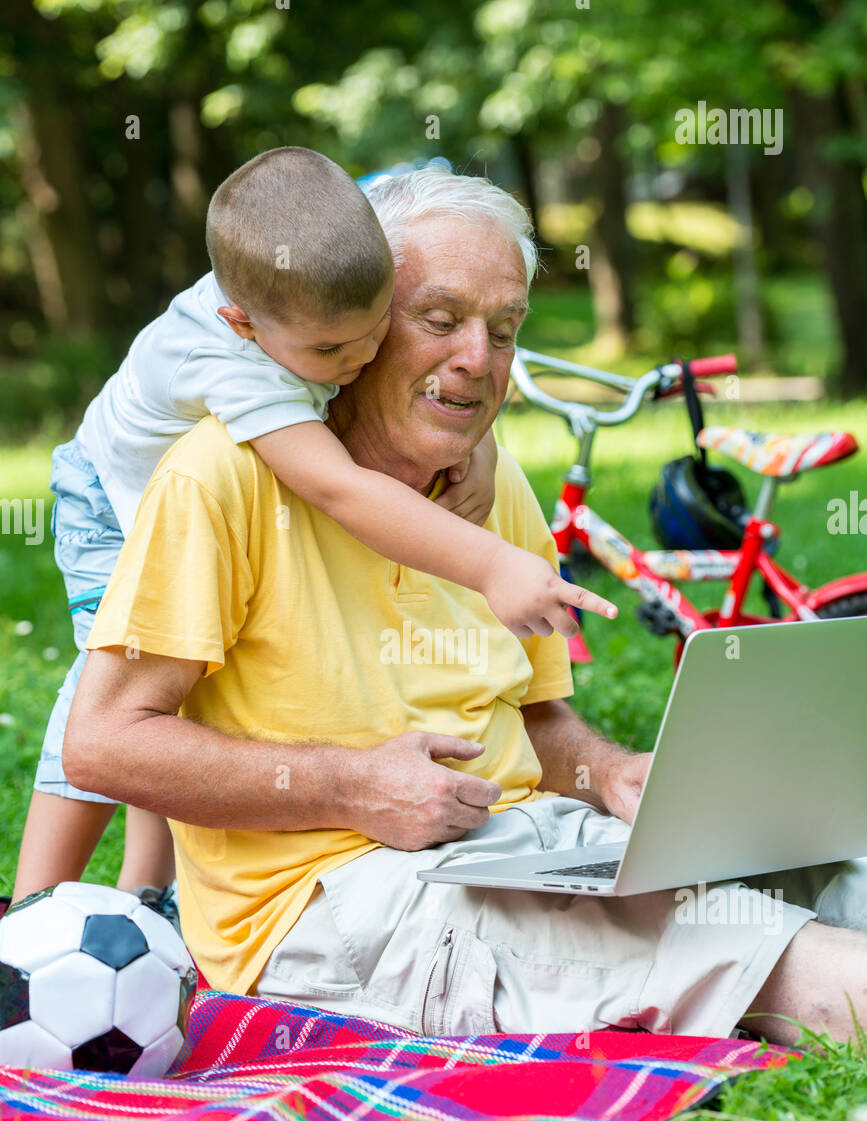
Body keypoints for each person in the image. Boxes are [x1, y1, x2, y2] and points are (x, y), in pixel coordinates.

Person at [63, 168, 867, 1046]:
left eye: (504, 329)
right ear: (364, 323)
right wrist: (351, 785)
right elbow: (104, 743)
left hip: (531, 845)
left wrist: (611, 775)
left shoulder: (492, 480)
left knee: (835, 858)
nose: (477, 360)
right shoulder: (219, 477)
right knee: (758, 953)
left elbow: (535, 717)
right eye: (439, 320)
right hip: (336, 902)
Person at [13, 149, 614, 906]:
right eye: (337, 352)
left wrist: (480, 444)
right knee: (116, 679)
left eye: (371, 337)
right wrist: (491, 563)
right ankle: (33, 910)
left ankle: (147, 889)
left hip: (183, 489)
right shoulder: (241, 363)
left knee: (189, 674)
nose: (356, 361)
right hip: (110, 498)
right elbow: (337, 488)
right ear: (241, 321)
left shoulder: (311, 285)